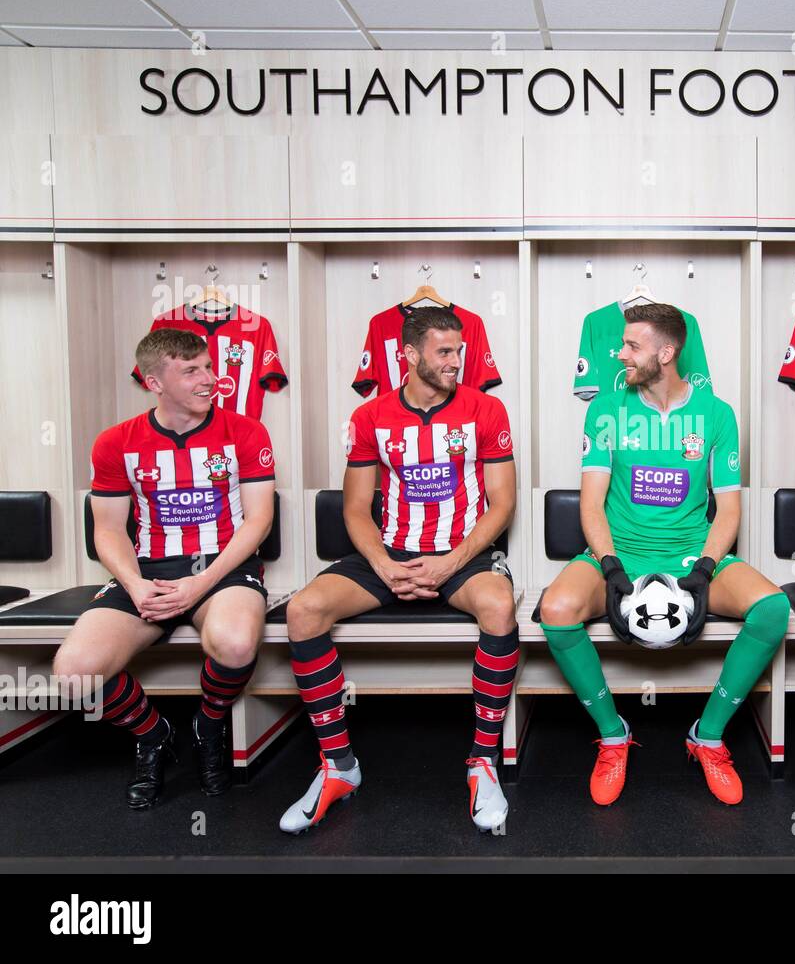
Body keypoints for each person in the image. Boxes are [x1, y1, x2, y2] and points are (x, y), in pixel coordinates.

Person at [278, 306, 518, 834]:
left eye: (460, 350)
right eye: (445, 352)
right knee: (304, 610)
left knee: (500, 607)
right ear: (409, 355)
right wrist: (386, 567)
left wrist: (450, 562)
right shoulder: (369, 417)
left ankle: (482, 762)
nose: (458, 361)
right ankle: (339, 767)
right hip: (390, 555)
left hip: (464, 556)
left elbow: (502, 502)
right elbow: (355, 508)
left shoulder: (487, 411)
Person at [539, 303, 790, 806]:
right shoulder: (606, 409)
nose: (621, 353)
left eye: (632, 346)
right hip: (620, 551)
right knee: (556, 610)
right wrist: (609, 566)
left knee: (773, 609)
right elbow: (591, 504)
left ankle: (709, 736)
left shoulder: (716, 414)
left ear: (667, 352)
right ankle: (613, 735)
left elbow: (728, 510)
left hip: (688, 552)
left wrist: (703, 570)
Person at [54, 328, 276, 808]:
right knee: (74, 673)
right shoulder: (116, 442)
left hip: (222, 569)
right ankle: (154, 735)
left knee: (236, 644)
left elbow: (258, 521)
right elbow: (109, 530)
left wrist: (200, 583)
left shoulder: (246, 431)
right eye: (191, 370)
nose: (209, 379)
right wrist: (134, 584)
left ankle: (209, 723)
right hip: (148, 571)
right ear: (154, 382)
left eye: (209, 367)